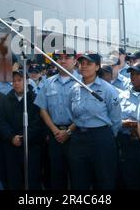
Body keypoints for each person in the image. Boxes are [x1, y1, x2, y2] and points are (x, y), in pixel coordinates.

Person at [67, 52, 121, 190]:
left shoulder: (108, 89)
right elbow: (71, 113)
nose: (84, 67)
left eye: (89, 64)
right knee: (79, 180)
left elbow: (115, 118)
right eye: (81, 63)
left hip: (101, 138)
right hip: (78, 138)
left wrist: (106, 136)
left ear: (97, 67)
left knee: (104, 179)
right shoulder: (74, 89)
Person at [34, 48, 79, 190]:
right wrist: (54, 131)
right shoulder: (48, 83)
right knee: (57, 175)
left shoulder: (82, 82)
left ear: (75, 60)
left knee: (78, 175)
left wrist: (69, 131)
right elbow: (42, 109)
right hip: (56, 135)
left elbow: (85, 112)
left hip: (77, 135)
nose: (63, 61)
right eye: (59, 58)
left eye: (67, 57)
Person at [0, 69, 43, 190]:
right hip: (11, 146)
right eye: (14, 80)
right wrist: (11, 137)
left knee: (32, 178)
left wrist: (23, 137)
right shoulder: (5, 100)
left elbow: (38, 123)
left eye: (19, 80)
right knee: (14, 179)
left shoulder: (35, 99)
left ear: (27, 81)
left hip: (31, 146)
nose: (16, 83)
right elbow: (1, 122)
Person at [116, 63, 140, 189]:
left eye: (138, 74)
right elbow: (115, 119)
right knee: (130, 177)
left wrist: (138, 125)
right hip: (127, 141)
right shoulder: (122, 96)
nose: (133, 77)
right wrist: (125, 123)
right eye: (132, 74)